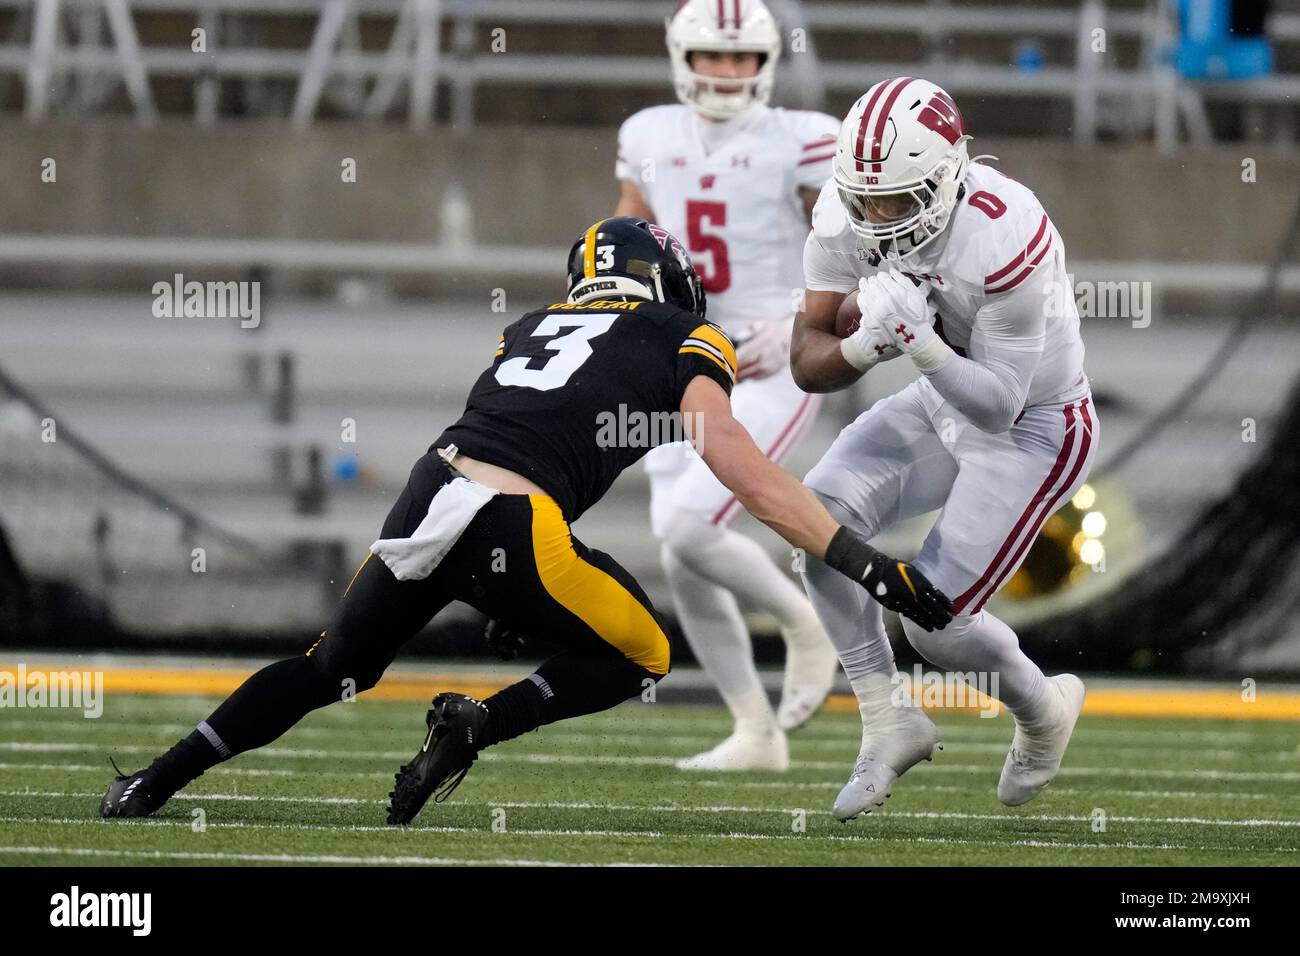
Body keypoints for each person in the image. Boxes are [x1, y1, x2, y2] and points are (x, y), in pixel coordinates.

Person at [101, 217, 952, 826]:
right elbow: (738, 466)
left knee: (328, 667)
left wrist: (507, 592)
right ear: (662, 276)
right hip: (515, 522)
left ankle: (152, 782)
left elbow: (536, 420)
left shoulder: (529, 326)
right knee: (643, 651)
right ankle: (477, 724)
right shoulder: (682, 331)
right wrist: (861, 561)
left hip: (431, 491)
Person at [790, 78, 1097, 820]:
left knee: (936, 627)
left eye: (897, 200)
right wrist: (864, 346)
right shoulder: (846, 211)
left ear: (948, 174)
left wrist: (919, 343)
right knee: (818, 523)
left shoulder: (1004, 230)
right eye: (866, 200)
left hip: (1035, 425)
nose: (877, 219)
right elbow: (807, 356)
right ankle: (887, 718)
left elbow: (999, 401)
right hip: (938, 397)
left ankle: (1043, 708)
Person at [614, 0, 842, 770]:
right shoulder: (647, 134)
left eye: (742, 58)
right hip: (685, 359)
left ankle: (805, 623)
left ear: (766, 62)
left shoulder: (803, 138)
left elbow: (853, 241)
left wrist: (807, 319)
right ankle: (755, 731)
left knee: (688, 528)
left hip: (770, 361)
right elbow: (625, 235)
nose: (727, 71)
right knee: (681, 555)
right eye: (713, 55)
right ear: (684, 57)